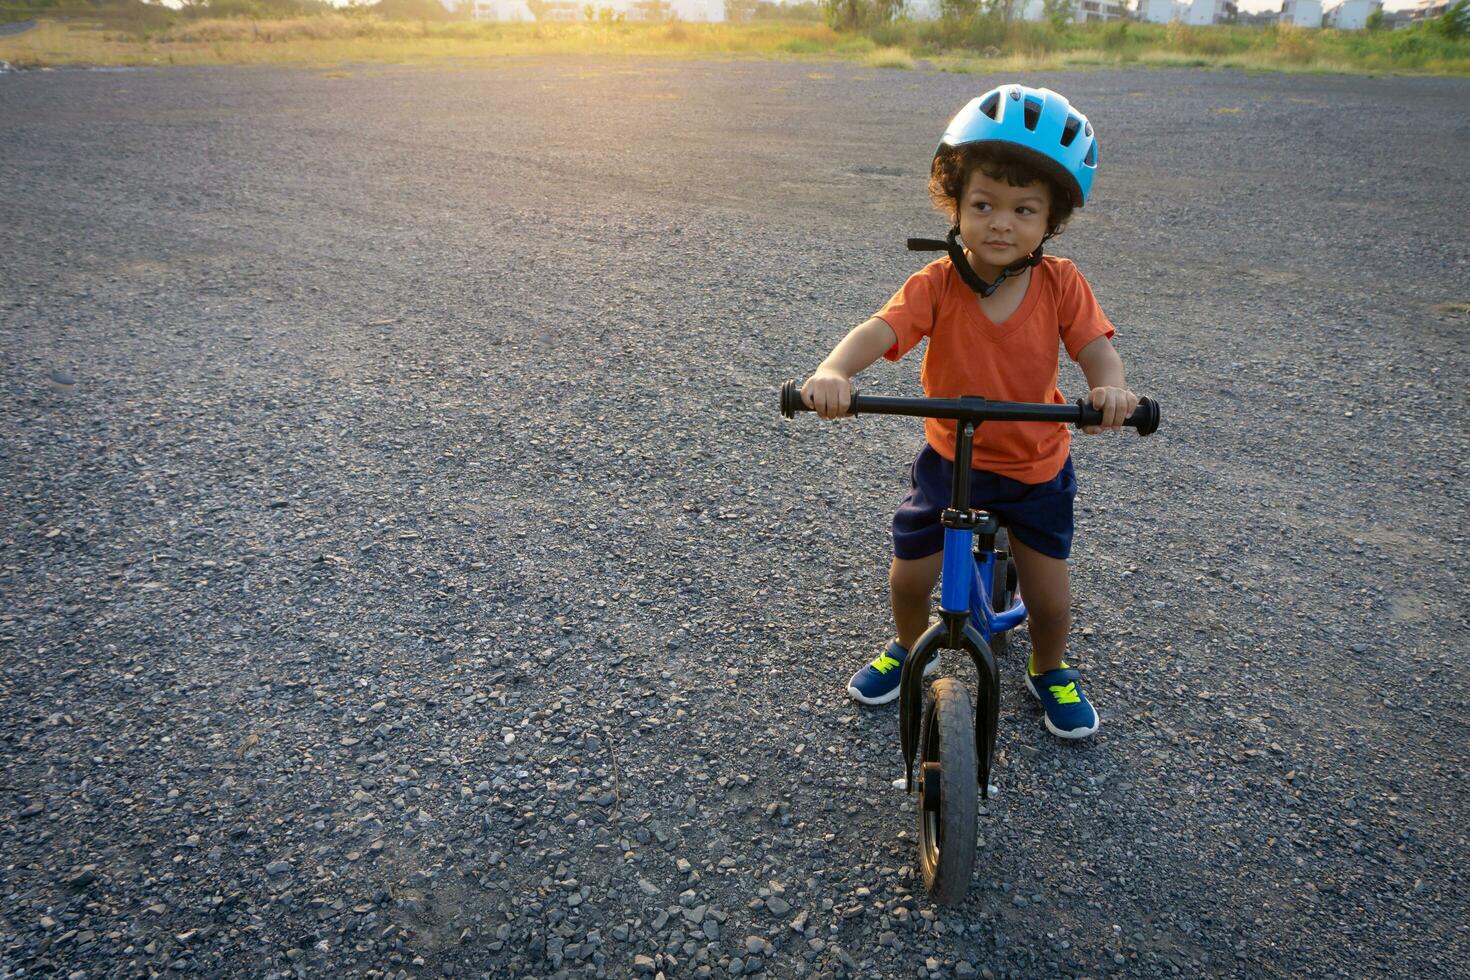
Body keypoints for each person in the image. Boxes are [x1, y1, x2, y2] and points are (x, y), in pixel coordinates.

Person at [800, 84, 1138, 740]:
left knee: (1048, 597)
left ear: (1051, 221)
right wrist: (835, 372)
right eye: (982, 204)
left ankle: (1048, 668)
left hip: (1035, 464)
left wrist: (1110, 391)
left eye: (1023, 208)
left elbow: (1097, 352)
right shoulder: (937, 283)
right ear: (954, 205)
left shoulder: (1061, 283)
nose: (1001, 223)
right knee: (909, 574)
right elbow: (880, 330)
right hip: (952, 458)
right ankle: (905, 646)